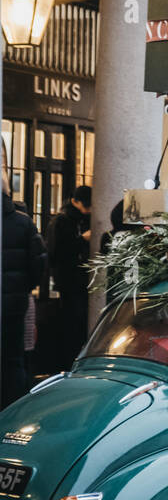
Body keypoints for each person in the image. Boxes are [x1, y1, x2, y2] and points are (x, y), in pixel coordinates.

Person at [2, 162, 47, 408]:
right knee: (13, 361)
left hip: (13, 300)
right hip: (14, 305)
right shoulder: (23, 222)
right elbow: (39, 264)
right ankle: (13, 413)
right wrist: (24, 288)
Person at [46, 184, 92, 367]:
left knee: (78, 325)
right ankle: (66, 362)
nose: (88, 210)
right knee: (71, 325)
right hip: (69, 282)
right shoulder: (62, 221)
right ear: (75, 201)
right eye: (85, 205)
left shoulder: (81, 219)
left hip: (80, 281)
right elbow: (56, 254)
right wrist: (82, 240)